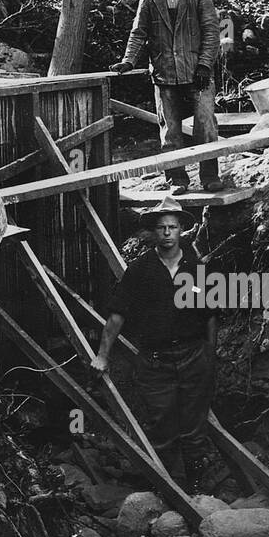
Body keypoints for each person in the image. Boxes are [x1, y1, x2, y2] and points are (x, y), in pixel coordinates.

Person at [91, 198, 217, 489]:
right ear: (153, 232)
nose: (168, 233)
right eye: (162, 228)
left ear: (182, 230)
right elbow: (117, 316)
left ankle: (196, 487)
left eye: (173, 227)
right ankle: (163, 488)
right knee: (161, 424)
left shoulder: (197, 268)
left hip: (193, 355)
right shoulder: (140, 270)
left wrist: (209, 357)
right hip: (155, 360)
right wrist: (102, 355)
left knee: (194, 427)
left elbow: (211, 317)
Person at [110, 0, 224, 194]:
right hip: (163, 73)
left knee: (205, 124)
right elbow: (138, 34)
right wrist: (129, 61)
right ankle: (177, 179)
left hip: (198, 72)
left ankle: (209, 176)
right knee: (170, 131)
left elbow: (212, 32)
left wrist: (205, 64)